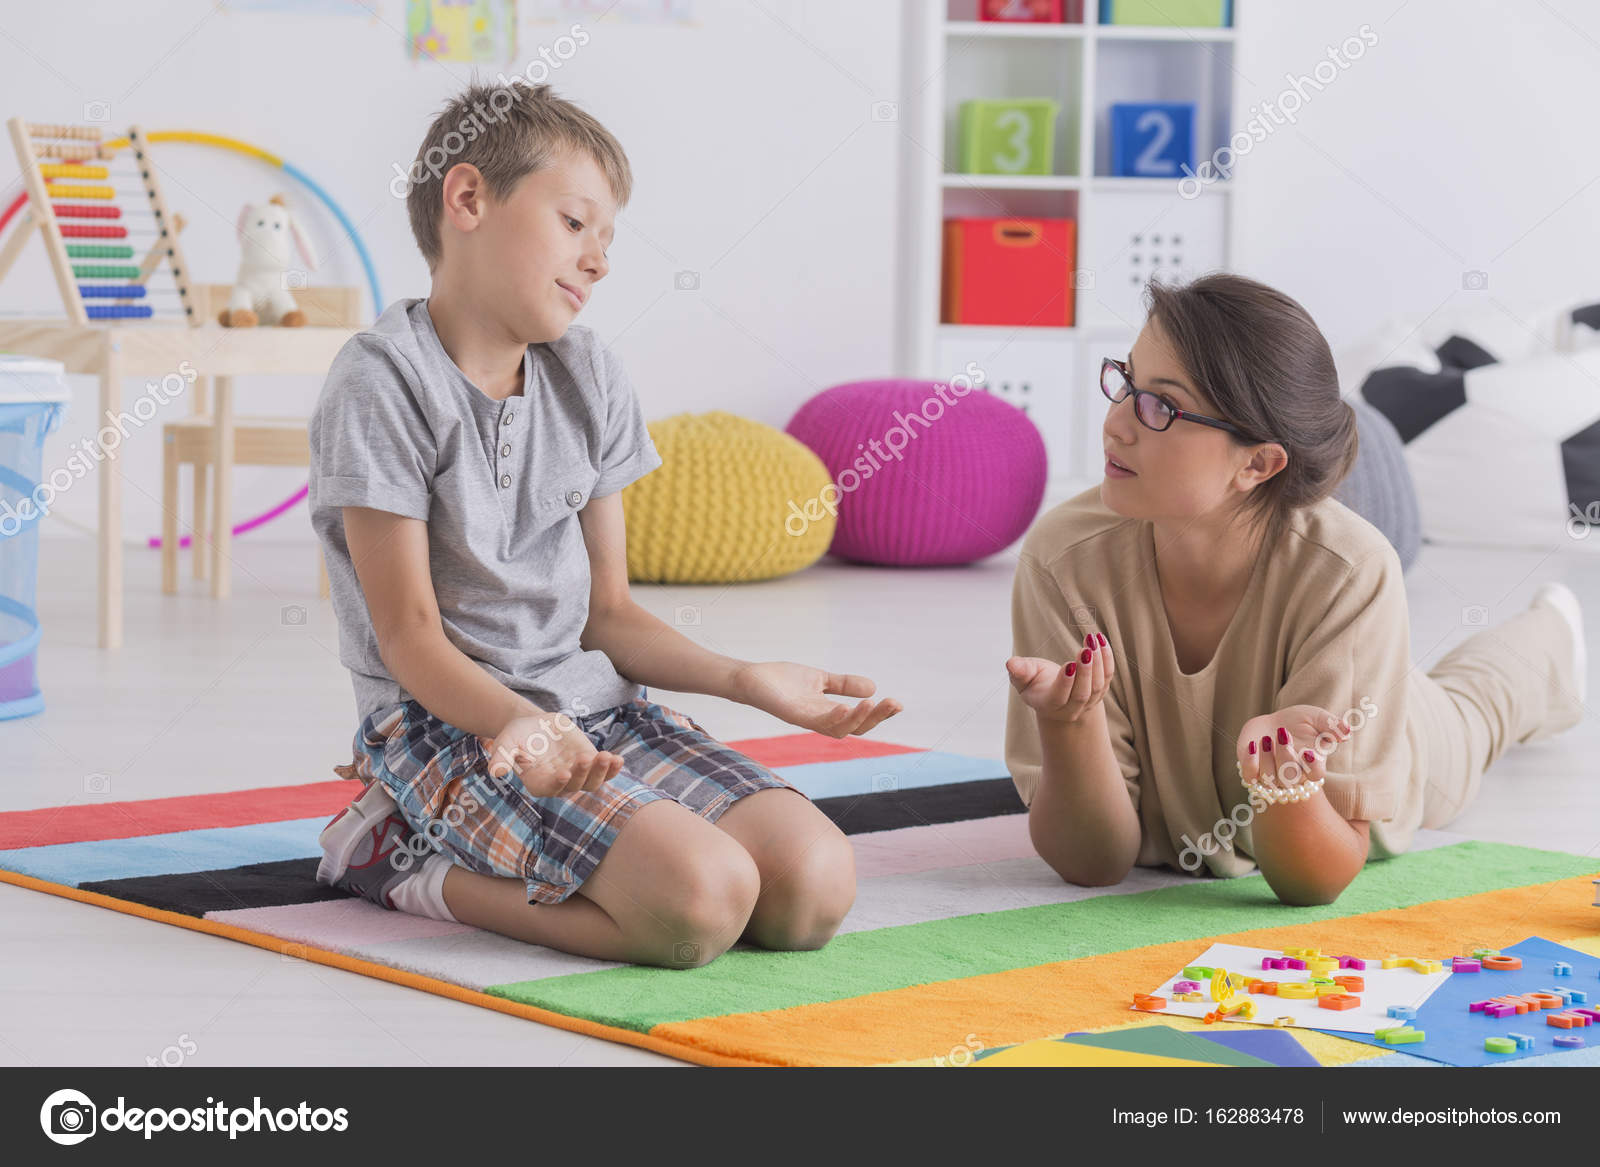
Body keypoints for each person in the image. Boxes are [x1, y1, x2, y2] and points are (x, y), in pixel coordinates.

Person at [308, 82, 900, 968]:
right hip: (449, 725)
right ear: (468, 199)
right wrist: (521, 723)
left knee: (811, 889)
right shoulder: (381, 383)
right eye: (577, 223)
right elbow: (408, 636)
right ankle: (396, 863)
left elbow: (608, 616)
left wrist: (745, 678)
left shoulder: (590, 375)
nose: (599, 260)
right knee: (699, 908)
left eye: (609, 238)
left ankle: (544, 842)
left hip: (594, 713)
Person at [1004, 273, 1586, 906]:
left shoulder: (1351, 570)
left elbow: (1316, 879)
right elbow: (1094, 862)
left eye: (1161, 408)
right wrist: (1070, 725)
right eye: (1127, 382)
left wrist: (1287, 787)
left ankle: (1554, 636)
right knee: (1455, 689)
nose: (1117, 424)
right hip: (1337, 673)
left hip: (1408, 738)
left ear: (1258, 463)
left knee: (1478, 707)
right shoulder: (1062, 558)